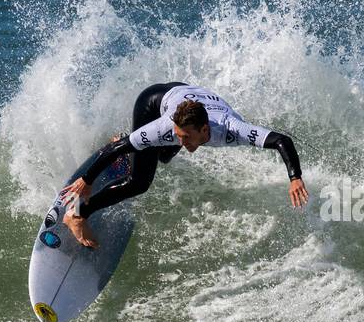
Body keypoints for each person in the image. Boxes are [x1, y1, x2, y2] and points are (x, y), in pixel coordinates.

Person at [58, 81, 308, 247]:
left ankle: (137, 149)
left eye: (186, 137)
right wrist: (86, 180)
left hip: (190, 100)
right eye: (178, 135)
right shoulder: (169, 128)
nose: (180, 140)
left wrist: (295, 177)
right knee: (139, 182)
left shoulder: (233, 129)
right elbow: (117, 148)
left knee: (164, 156)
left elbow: (280, 140)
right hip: (154, 102)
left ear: (204, 129)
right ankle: (78, 215)